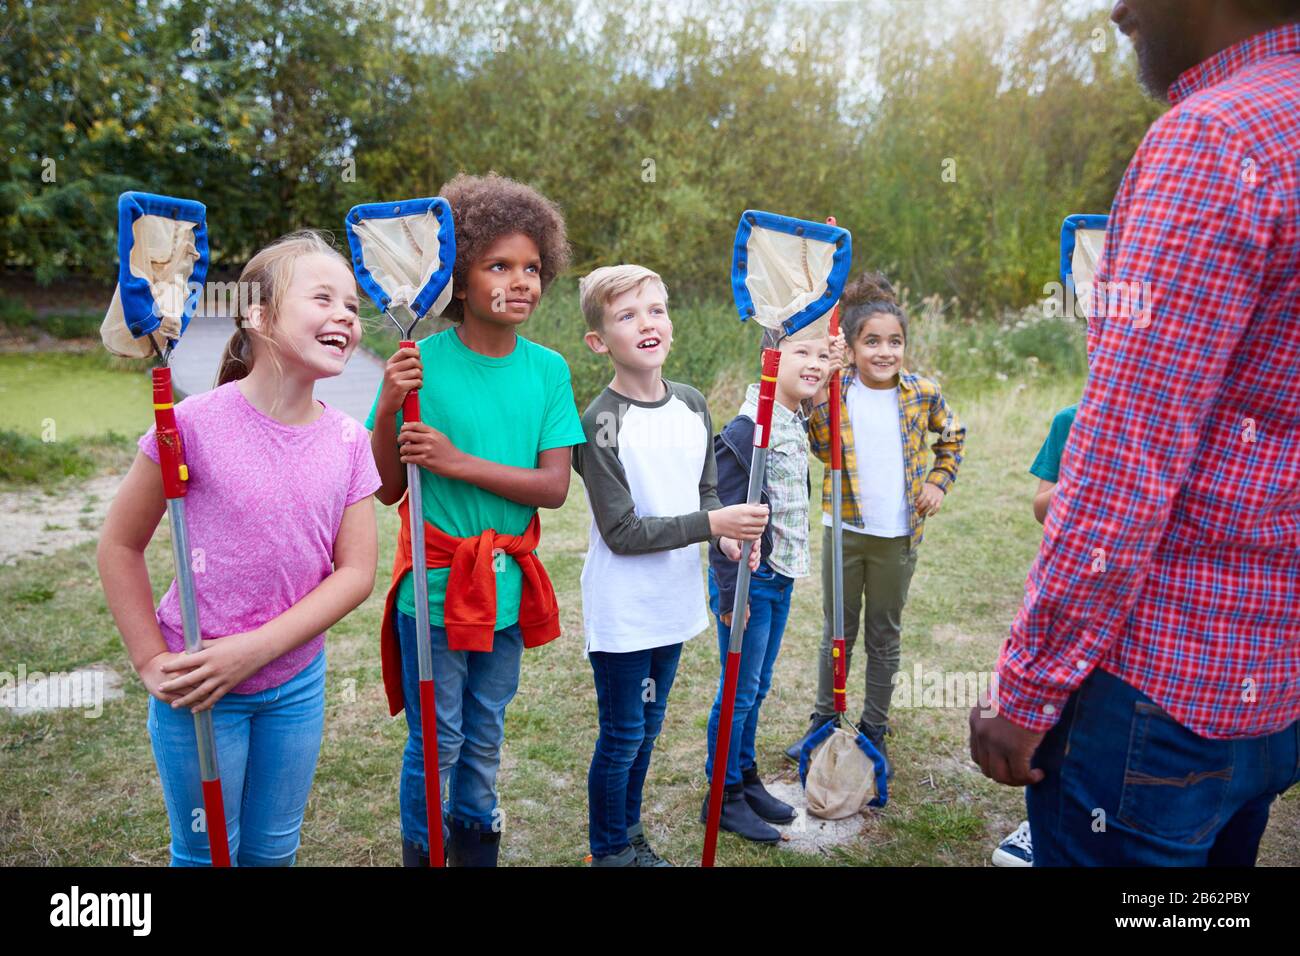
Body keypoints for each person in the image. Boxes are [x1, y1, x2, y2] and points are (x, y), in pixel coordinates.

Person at [971, 0, 1300, 866]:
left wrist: (1027, 688)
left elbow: (1127, 457)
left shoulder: (1218, 140)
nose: (1117, 9)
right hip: (1275, 688)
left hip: (1161, 691)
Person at [98, 230, 381, 865]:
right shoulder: (191, 424)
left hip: (296, 686)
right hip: (200, 690)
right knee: (206, 854)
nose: (345, 315)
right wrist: (149, 660)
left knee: (273, 851)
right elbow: (120, 543)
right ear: (256, 314)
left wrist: (255, 651)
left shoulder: (348, 441)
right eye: (323, 298)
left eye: (354, 306)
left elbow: (357, 572)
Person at [367, 173, 586, 867]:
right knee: (439, 739)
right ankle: (424, 854)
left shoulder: (548, 371)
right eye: (498, 266)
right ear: (457, 281)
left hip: (506, 592)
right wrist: (387, 404)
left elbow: (553, 487)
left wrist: (457, 462)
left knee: (485, 734)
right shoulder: (418, 364)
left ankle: (475, 846)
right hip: (431, 594)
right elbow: (386, 487)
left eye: (531, 267)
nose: (520, 281)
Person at [572, 264, 768, 866]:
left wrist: (727, 539)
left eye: (655, 309)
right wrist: (714, 524)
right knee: (623, 734)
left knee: (649, 730)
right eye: (627, 315)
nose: (646, 323)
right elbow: (624, 531)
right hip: (625, 608)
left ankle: (630, 835)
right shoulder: (600, 422)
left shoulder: (691, 403)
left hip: (674, 601)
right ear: (599, 341)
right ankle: (609, 848)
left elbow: (704, 493)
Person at [785, 273, 966, 769]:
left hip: (897, 537)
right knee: (836, 631)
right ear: (853, 347)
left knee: (884, 633)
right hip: (843, 529)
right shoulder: (838, 391)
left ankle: (875, 728)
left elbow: (953, 436)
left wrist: (937, 482)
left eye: (895, 342)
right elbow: (823, 449)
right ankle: (823, 724)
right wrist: (823, 390)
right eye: (872, 342)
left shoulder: (921, 394)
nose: (884, 352)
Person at [703, 327, 839, 844]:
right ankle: (721, 797)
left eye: (821, 356)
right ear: (769, 360)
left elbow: (825, 372)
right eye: (800, 352)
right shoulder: (748, 429)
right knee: (737, 691)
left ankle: (745, 776)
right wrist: (729, 593)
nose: (814, 363)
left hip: (779, 578)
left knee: (756, 688)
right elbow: (724, 519)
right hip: (749, 583)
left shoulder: (794, 417)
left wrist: (832, 359)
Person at [993, 403, 1076, 867]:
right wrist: (1092, 472)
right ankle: (1041, 827)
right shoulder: (1071, 420)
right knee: (1058, 718)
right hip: (1069, 587)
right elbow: (1043, 509)